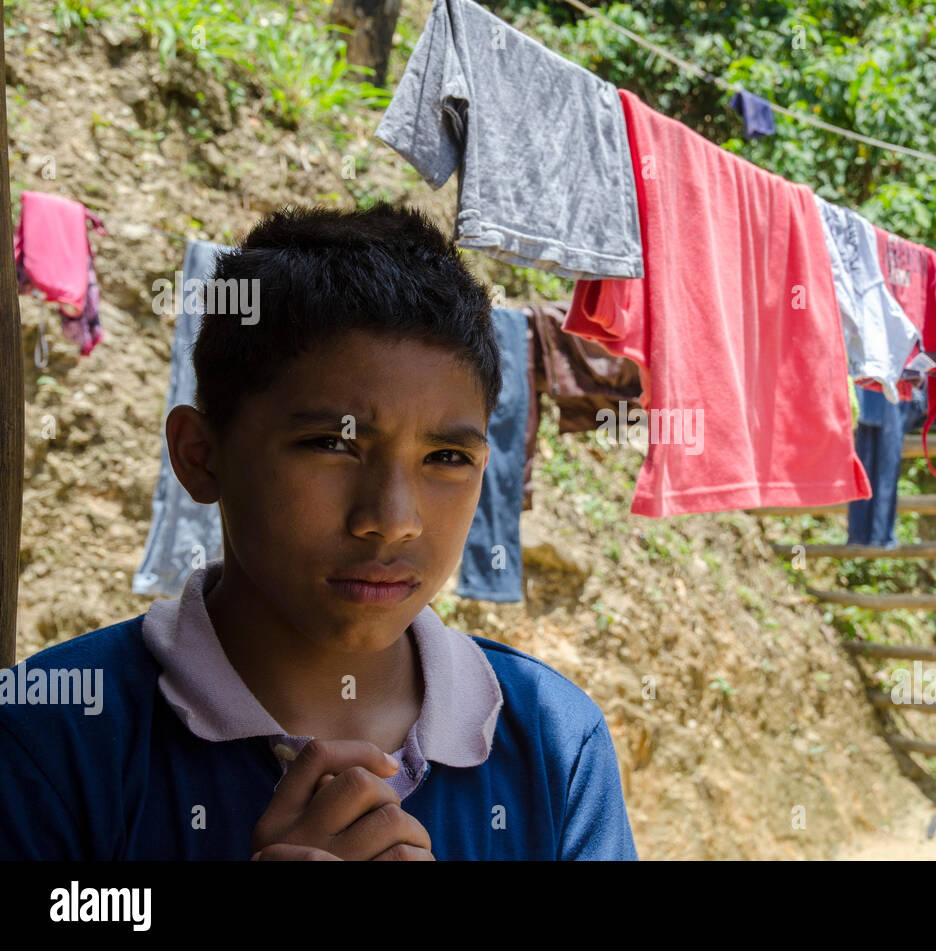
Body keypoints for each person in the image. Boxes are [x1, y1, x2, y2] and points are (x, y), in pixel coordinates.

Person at [0, 203, 637, 860]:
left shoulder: (555, 744)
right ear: (200, 455)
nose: (391, 521)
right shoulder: (47, 738)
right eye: (331, 444)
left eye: (446, 458)